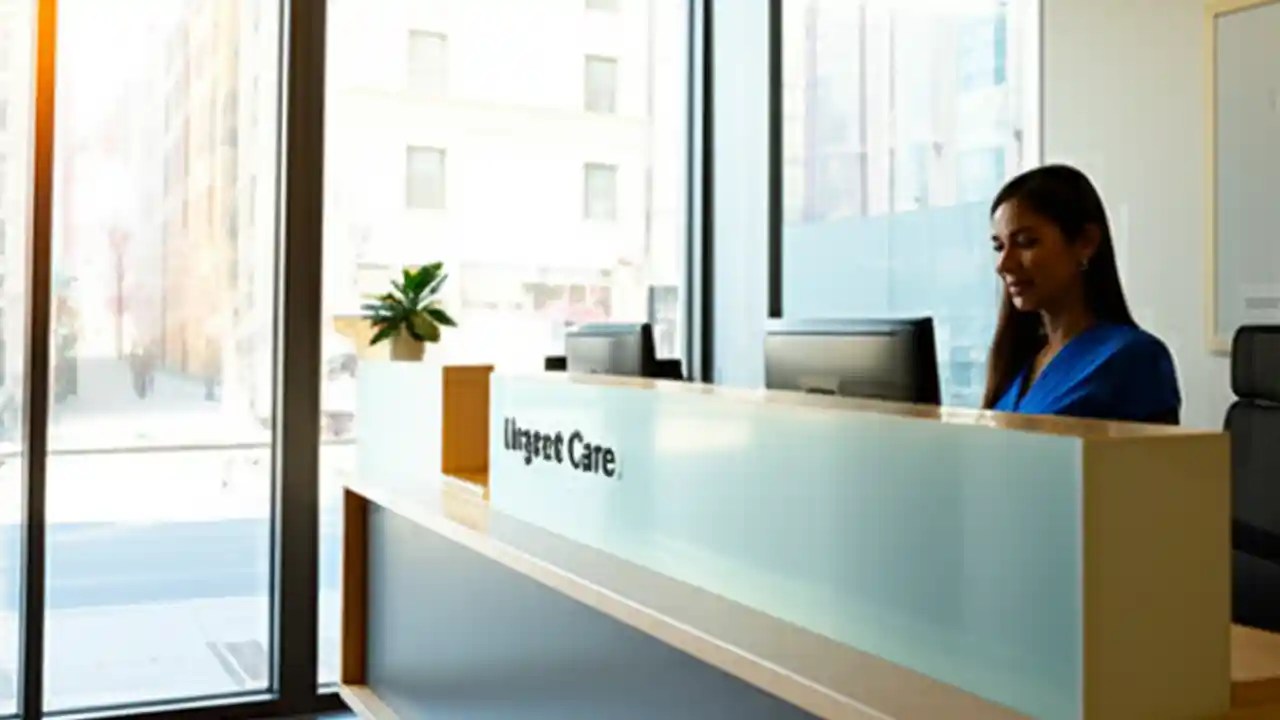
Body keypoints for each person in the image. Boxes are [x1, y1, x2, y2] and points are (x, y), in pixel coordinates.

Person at [983, 164, 1181, 424]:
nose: (1004, 264)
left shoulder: (1133, 357)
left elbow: (1153, 462)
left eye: (1025, 243)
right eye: (999, 246)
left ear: (1085, 242)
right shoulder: (1021, 360)